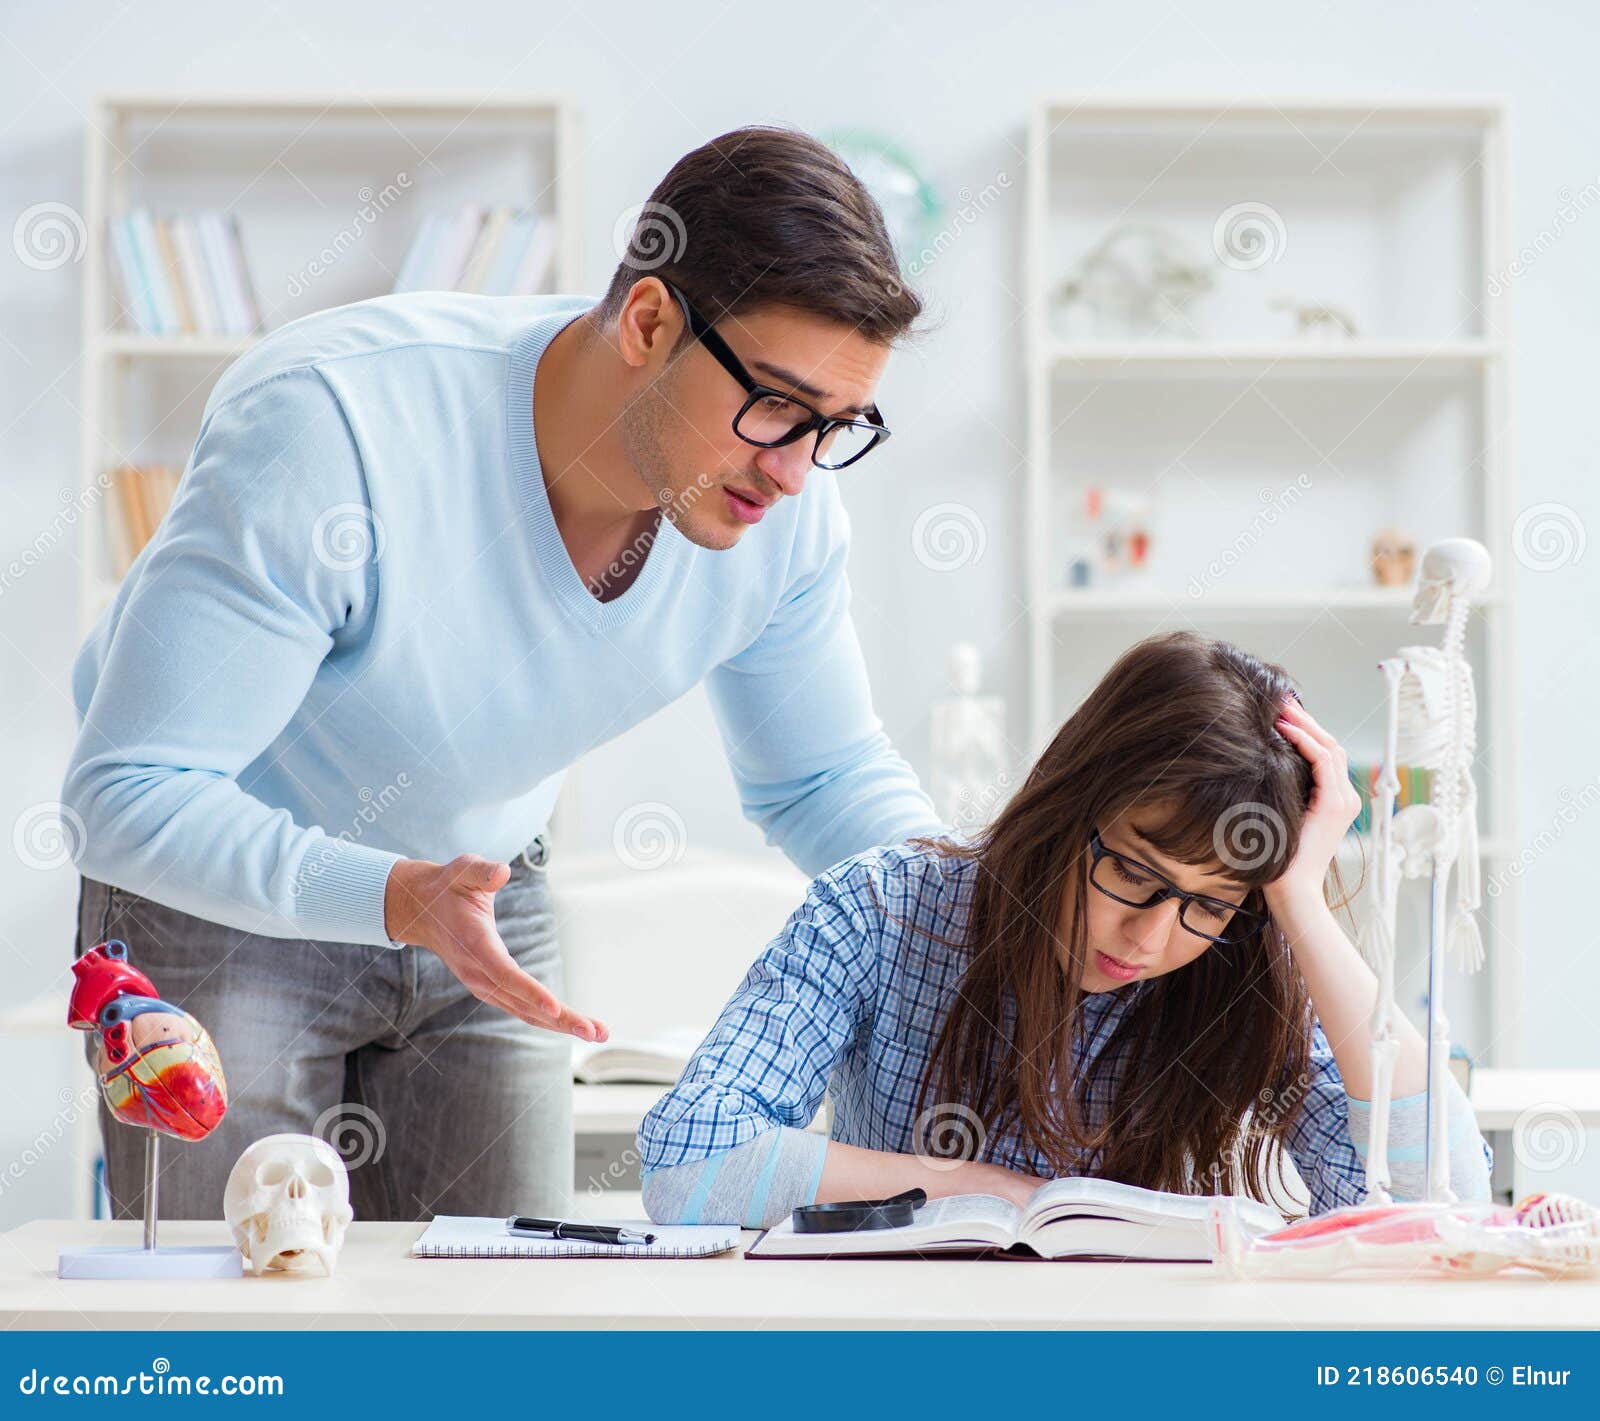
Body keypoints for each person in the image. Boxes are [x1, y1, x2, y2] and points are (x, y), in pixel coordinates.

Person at [62, 126, 940, 1222]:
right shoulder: (333, 426)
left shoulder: (780, 515)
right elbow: (126, 790)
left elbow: (823, 780)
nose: (798, 469)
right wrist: (390, 896)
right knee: (246, 1305)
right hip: (230, 892)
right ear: (651, 320)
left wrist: (992, 913)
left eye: (836, 426)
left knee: (502, 1298)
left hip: (484, 890)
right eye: (773, 405)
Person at [638, 632, 1492, 1226]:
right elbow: (691, 1163)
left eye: (1206, 902)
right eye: (1133, 872)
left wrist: (1299, 900)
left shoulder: (1241, 964)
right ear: (1070, 801)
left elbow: (1437, 1203)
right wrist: (976, 1189)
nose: (1152, 937)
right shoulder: (885, 908)